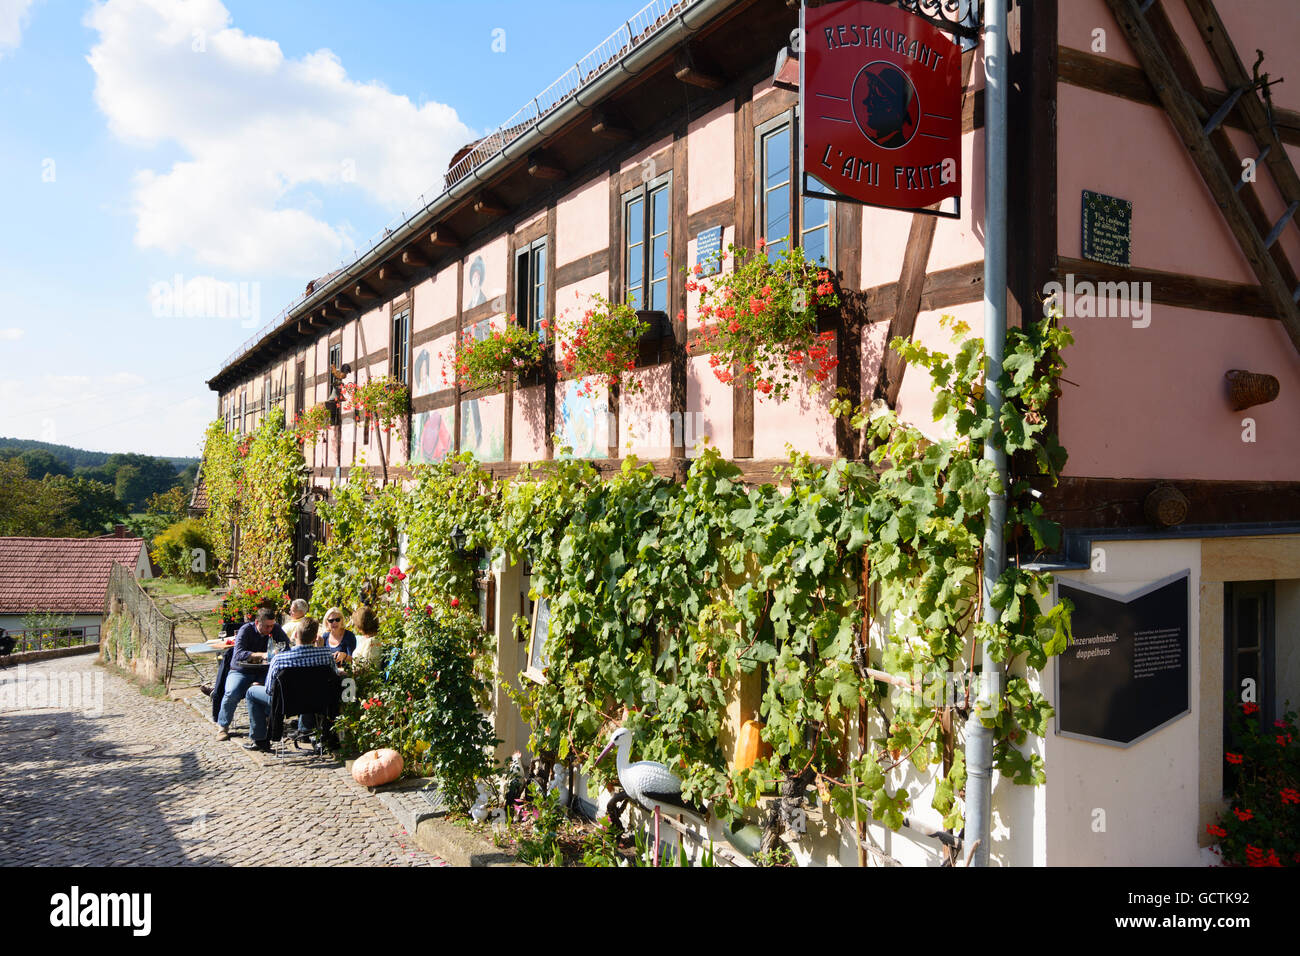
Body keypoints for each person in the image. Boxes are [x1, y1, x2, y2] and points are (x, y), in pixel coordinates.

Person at [241, 618, 337, 752]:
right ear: (315, 637)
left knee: (251, 692)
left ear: (296, 635)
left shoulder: (280, 659)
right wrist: (320, 648)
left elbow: (269, 690)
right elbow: (334, 676)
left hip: (286, 703)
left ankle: (260, 739)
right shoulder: (326, 655)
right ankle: (305, 730)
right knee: (308, 687)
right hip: (317, 701)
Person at [214, 608, 287, 741]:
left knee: (270, 692)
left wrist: (278, 651)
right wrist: (261, 655)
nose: (269, 629)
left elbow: (286, 646)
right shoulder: (245, 630)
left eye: (271, 626)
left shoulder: (274, 628)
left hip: (263, 671)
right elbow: (238, 654)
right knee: (232, 692)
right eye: (266, 626)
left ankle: (264, 723)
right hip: (242, 670)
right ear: (257, 622)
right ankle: (223, 726)